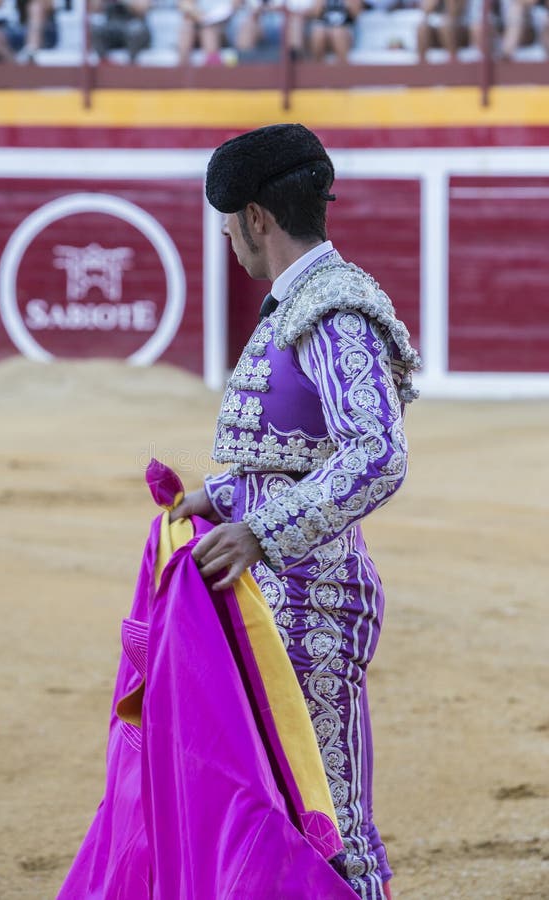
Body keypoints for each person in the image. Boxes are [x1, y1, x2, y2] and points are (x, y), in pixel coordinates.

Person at [170, 123, 420, 899]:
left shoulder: (333, 309)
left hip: (314, 604)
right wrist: (225, 495)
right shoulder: (301, 304)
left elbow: (376, 453)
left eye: (229, 224)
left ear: (256, 217)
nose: (227, 240)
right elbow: (298, 453)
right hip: (278, 597)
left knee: (331, 825)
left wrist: (261, 530)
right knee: (282, 810)